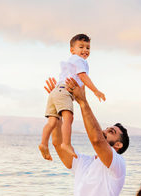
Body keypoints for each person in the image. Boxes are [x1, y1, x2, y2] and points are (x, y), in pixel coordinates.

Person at [39, 33, 106, 162]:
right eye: (81, 47)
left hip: (55, 91)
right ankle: (66, 144)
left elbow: (81, 86)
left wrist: (83, 97)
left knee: (52, 122)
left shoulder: (73, 62)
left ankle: (43, 143)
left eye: (88, 48)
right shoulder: (79, 60)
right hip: (64, 91)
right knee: (68, 118)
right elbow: (83, 77)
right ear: (72, 50)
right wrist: (96, 90)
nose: (85, 50)